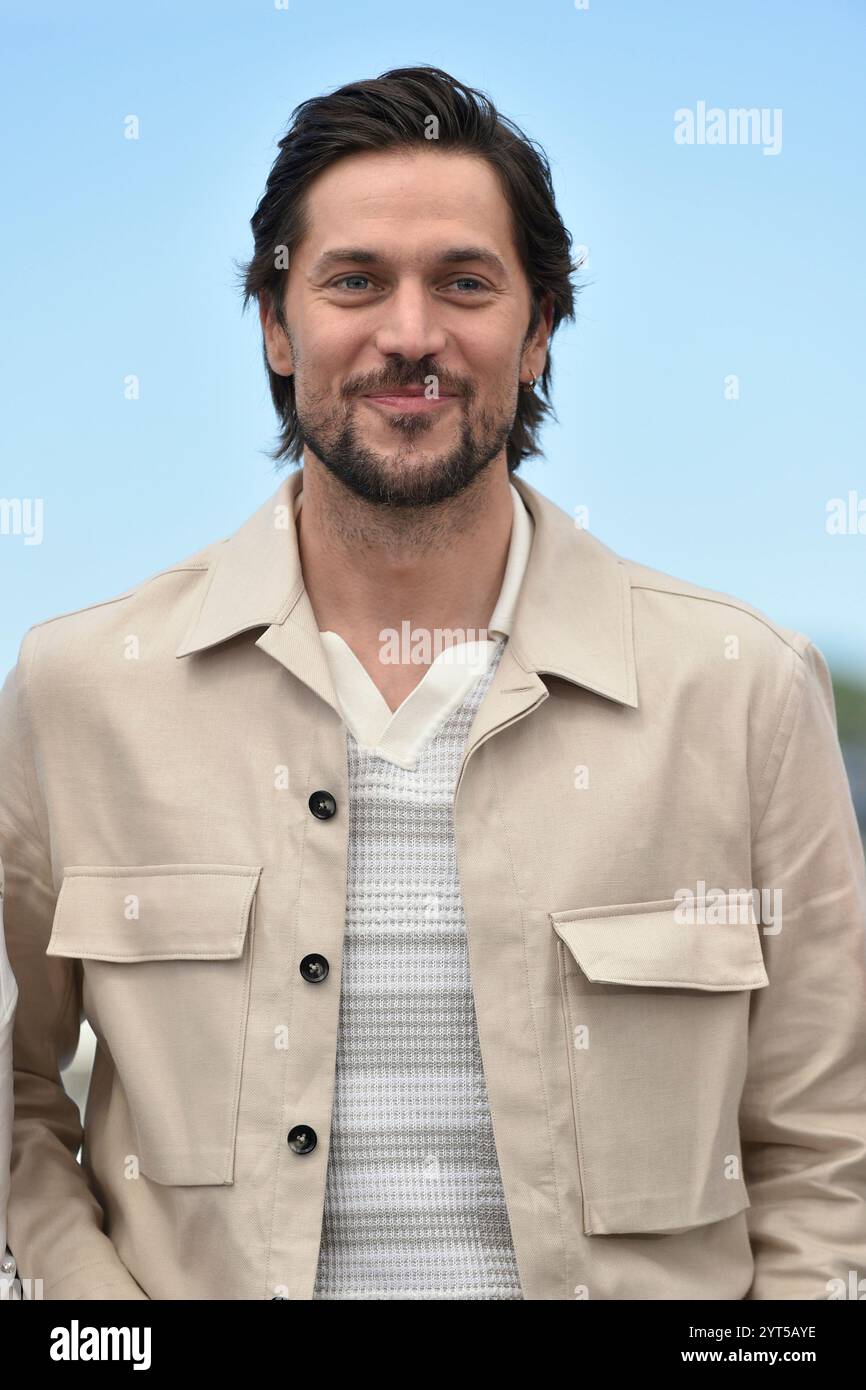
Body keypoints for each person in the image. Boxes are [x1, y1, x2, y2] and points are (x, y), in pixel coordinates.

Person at [1, 65, 864, 1301]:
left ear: (540, 325)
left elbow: (830, 1152)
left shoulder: (740, 694)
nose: (410, 334)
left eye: (463, 283)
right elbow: (16, 1104)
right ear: (274, 323)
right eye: (353, 281)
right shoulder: (78, 691)